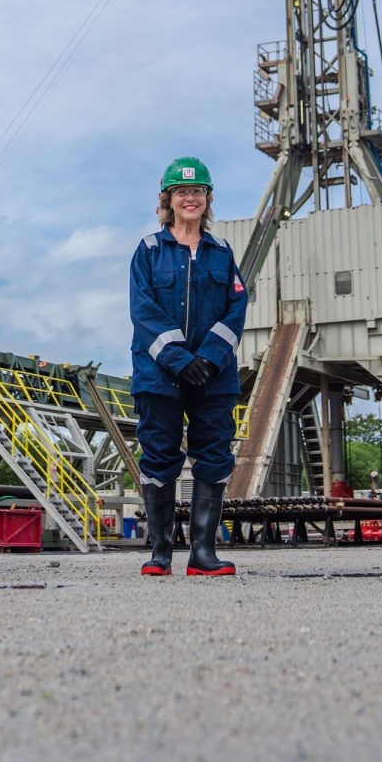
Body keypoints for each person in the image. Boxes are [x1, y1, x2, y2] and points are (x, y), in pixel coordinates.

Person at [128, 157, 248, 576]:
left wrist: (210, 358)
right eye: (182, 192)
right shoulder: (148, 251)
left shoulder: (222, 253)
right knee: (159, 457)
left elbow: (236, 308)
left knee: (213, 456)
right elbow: (143, 312)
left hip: (213, 378)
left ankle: (202, 553)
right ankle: (161, 551)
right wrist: (179, 360)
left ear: (207, 198)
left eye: (197, 191)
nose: (190, 198)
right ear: (168, 199)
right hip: (159, 375)